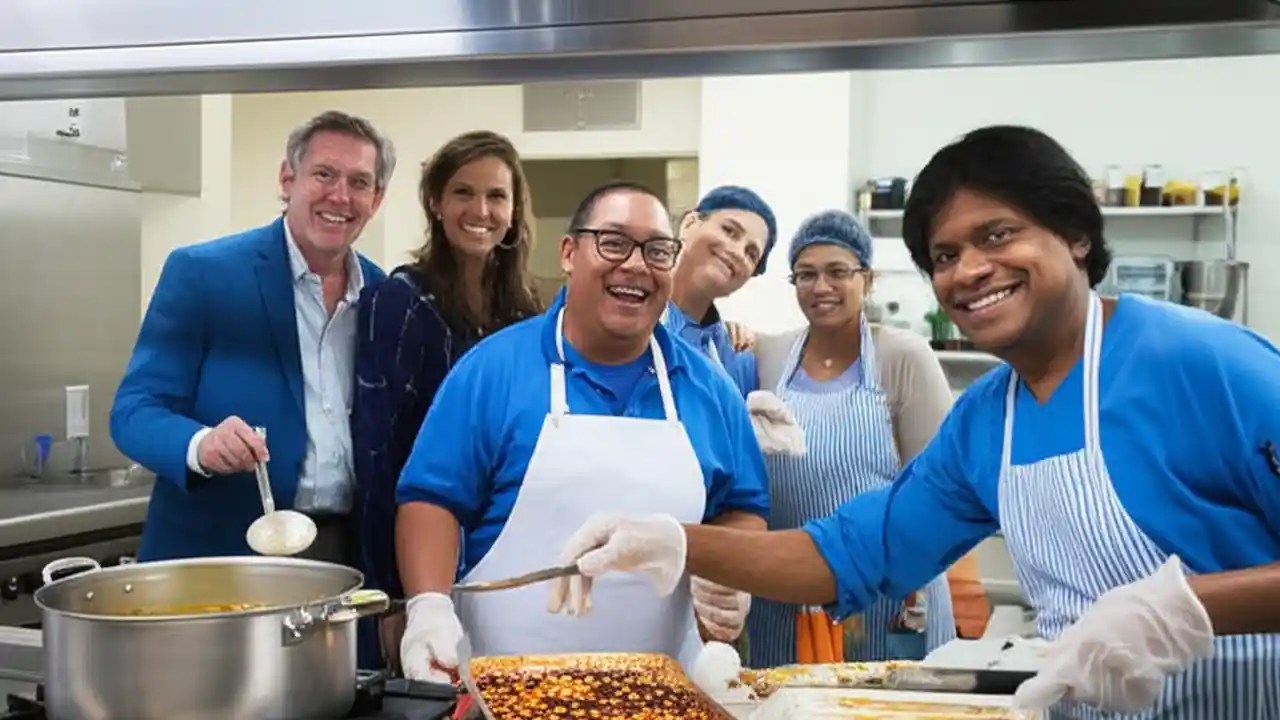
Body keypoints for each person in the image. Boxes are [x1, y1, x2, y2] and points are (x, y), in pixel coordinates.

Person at [548, 126, 1280, 718]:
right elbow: (846, 554)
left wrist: (1186, 608)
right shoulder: (990, 421)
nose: (969, 271)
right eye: (946, 255)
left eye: (998, 236)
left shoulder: (1206, 365)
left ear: (1076, 235)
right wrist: (678, 541)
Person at [393, 181, 770, 682]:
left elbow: (742, 507)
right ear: (569, 253)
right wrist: (428, 607)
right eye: (613, 242)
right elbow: (431, 499)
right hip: (502, 689)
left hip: (661, 696)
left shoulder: (709, 389)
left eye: (657, 251)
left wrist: (726, 577)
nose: (636, 265)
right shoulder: (493, 369)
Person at [110, 110, 394, 563]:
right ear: (287, 179)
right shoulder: (203, 274)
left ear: (376, 199)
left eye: (359, 183)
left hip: (344, 558)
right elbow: (134, 411)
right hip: (218, 560)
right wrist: (201, 445)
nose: (340, 196)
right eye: (323, 174)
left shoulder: (385, 297)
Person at [351, 130, 542, 671]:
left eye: (496, 196)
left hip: (505, 562)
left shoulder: (527, 314)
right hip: (422, 567)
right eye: (463, 192)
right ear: (435, 202)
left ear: (514, 209)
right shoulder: (400, 303)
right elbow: (377, 455)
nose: (480, 210)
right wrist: (393, 598)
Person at [746, 209, 957, 667]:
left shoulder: (903, 358)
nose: (821, 287)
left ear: (868, 278)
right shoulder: (768, 355)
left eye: (838, 272)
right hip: (785, 592)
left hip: (884, 595)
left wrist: (907, 582)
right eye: (806, 274)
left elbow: (937, 492)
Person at [662, 185, 777, 397]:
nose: (737, 252)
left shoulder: (736, 358)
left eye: (751, 254)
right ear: (689, 224)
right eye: (729, 231)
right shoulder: (631, 318)